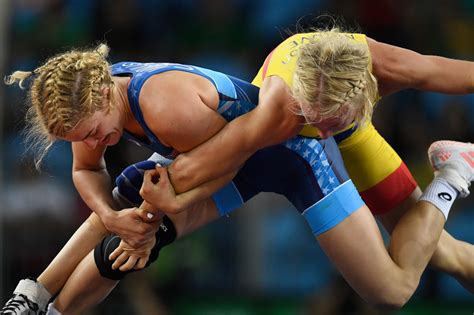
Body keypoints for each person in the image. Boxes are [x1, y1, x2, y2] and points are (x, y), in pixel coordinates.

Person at [2, 25, 474, 312]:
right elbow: (229, 157)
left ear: (365, 93)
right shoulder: (279, 105)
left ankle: (452, 174)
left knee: (415, 275)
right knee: (136, 214)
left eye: (329, 119)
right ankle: (39, 300)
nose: (88, 146)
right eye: (313, 118)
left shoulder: (371, 69)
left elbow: (439, 70)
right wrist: (146, 213)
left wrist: (168, 203)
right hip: (257, 148)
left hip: (292, 154)